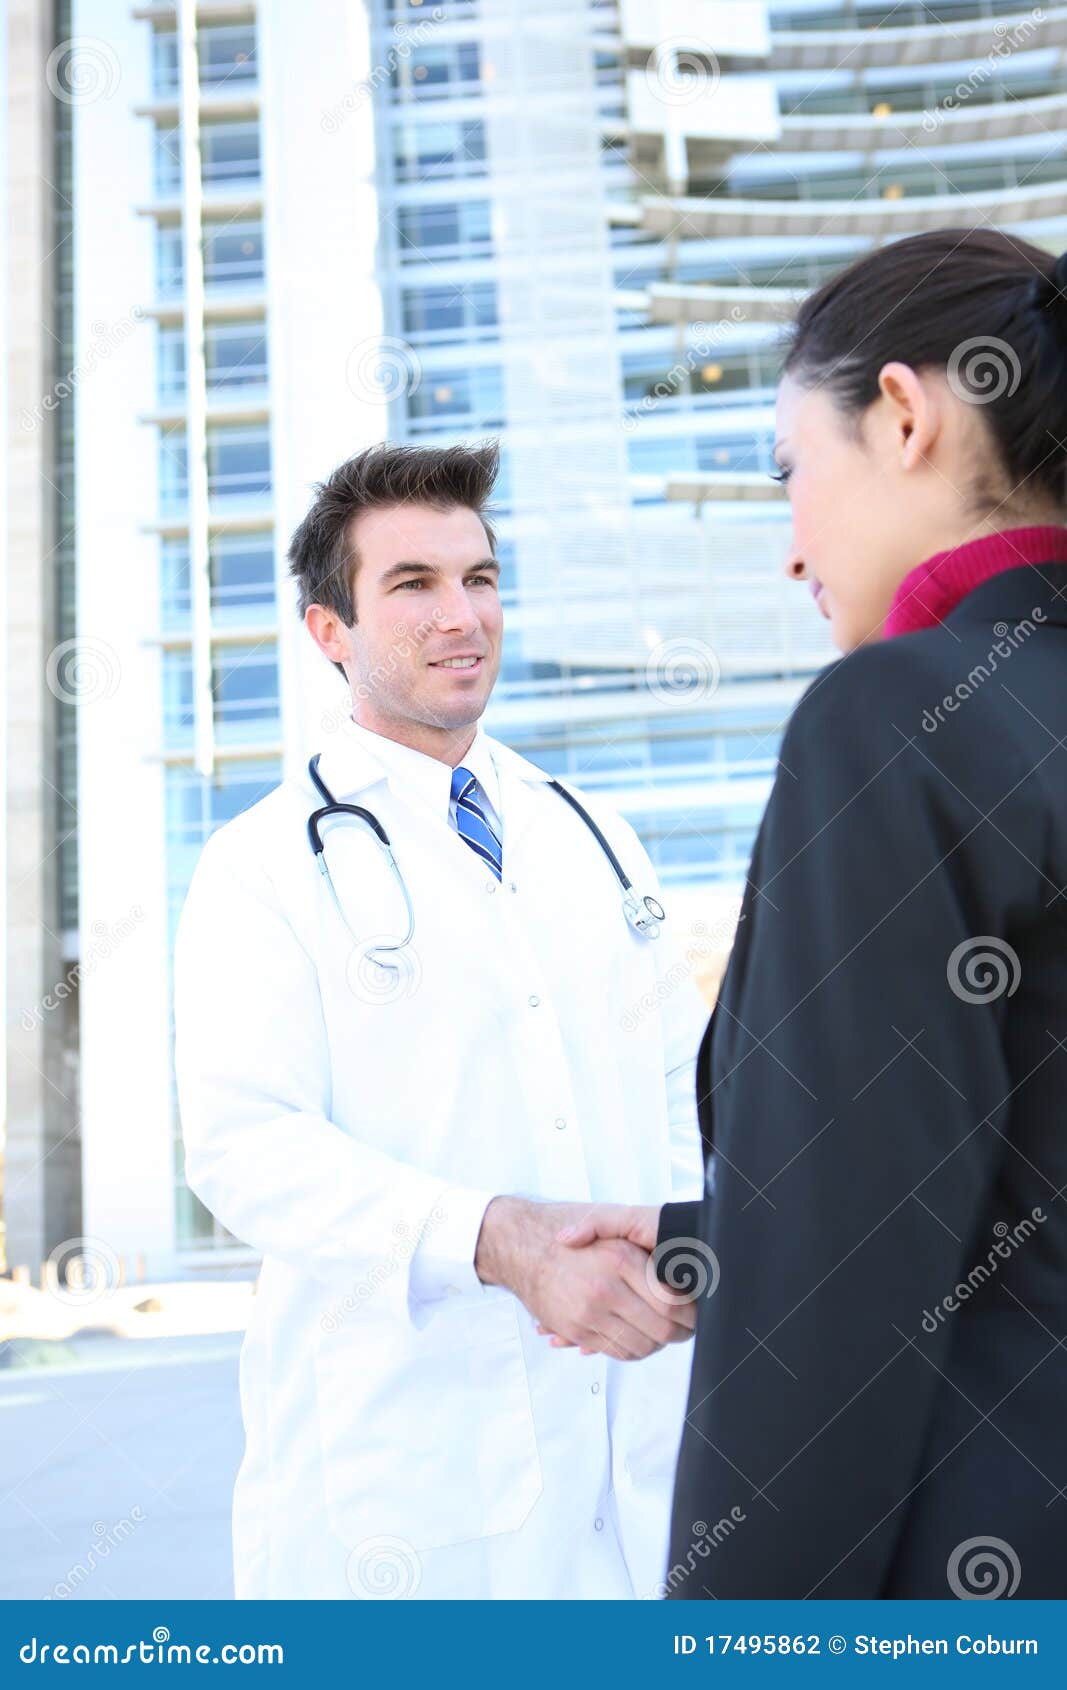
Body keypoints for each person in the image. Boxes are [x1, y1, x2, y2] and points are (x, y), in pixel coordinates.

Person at [556, 228, 1067, 1598]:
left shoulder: (897, 722)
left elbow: (836, 1310)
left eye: (790, 475)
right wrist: (710, 1233)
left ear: (904, 415)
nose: (790, 549)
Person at [172, 441, 706, 1601]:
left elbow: (679, 1082)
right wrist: (496, 1239)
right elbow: (243, 1146)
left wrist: (667, 1246)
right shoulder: (261, 864)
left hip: (636, 1450)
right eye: (411, 584)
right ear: (330, 632)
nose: (462, 615)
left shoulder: (592, 830)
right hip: (402, 1499)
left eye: (481, 577)